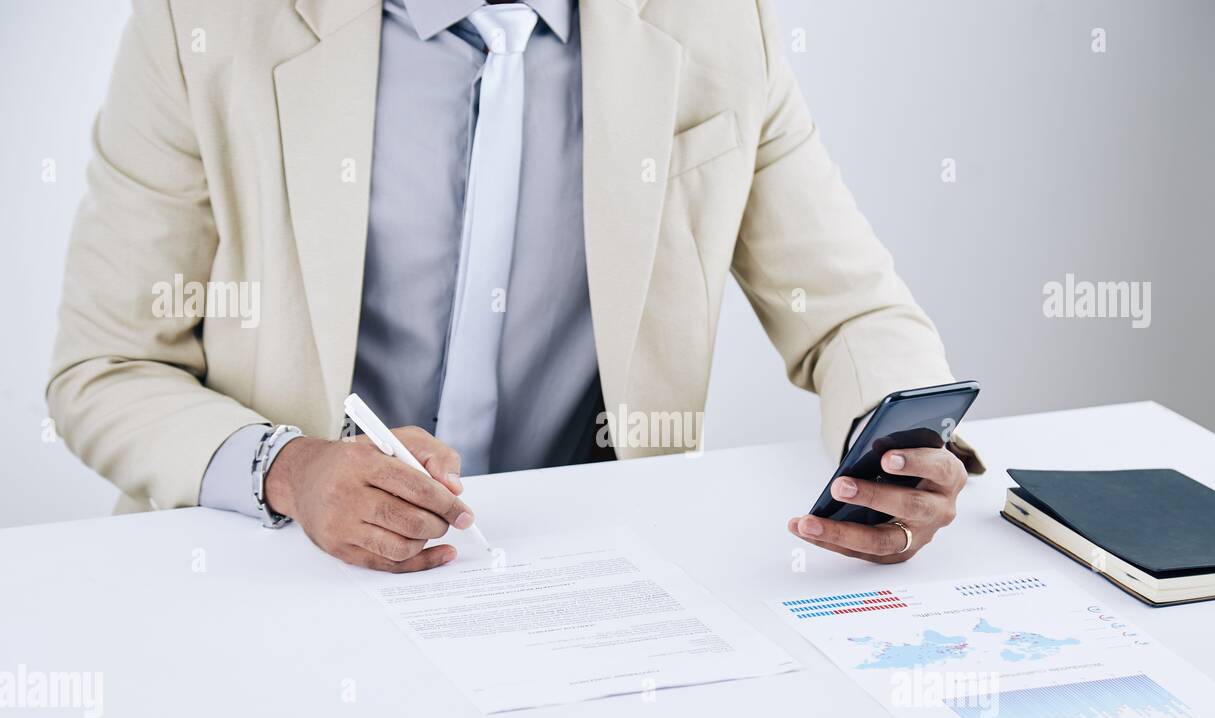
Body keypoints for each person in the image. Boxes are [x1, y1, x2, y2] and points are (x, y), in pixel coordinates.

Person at [49, 0, 980, 572]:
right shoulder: (201, 23)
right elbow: (107, 369)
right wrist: (292, 471)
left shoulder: (715, 21)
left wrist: (899, 446)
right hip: (275, 567)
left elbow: (850, 311)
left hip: (580, 586)